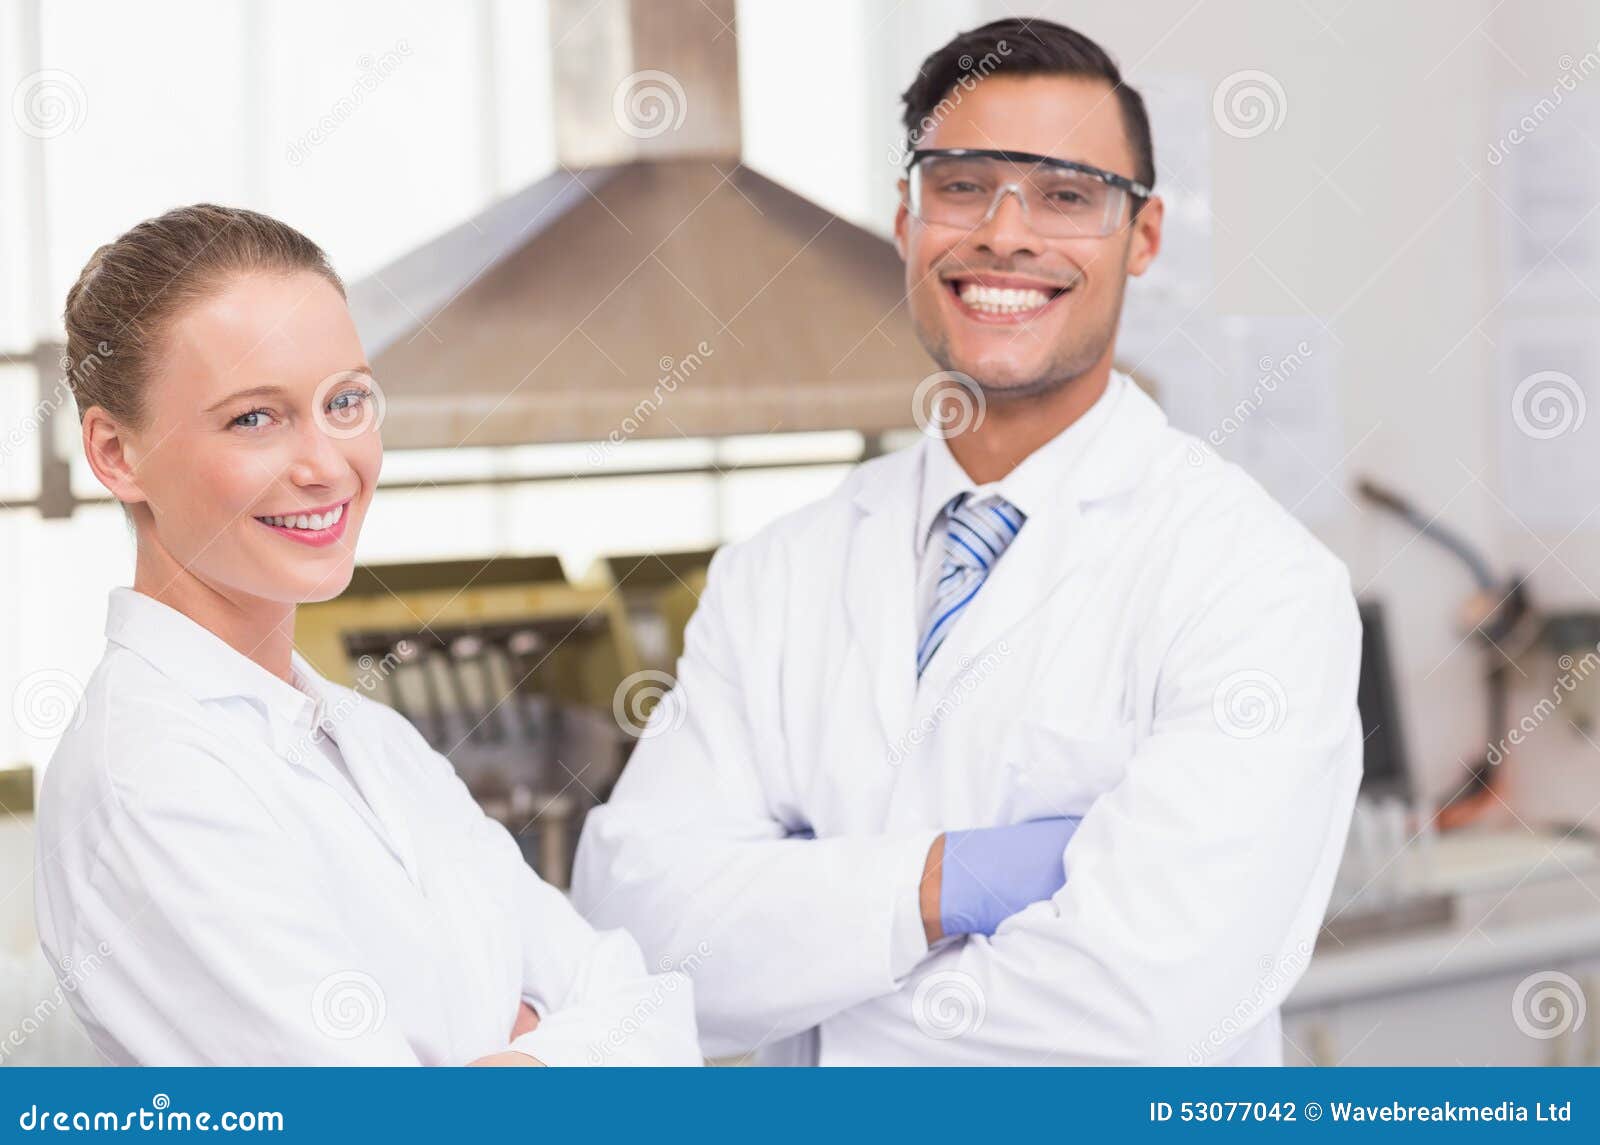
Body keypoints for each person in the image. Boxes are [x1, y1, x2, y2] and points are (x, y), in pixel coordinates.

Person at [572, 18, 1362, 1064]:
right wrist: (944, 880)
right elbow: (633, 931)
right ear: (906, 219)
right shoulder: (777, 572)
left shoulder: (1255, 583)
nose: (1004, 233)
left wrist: (807, 979)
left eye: (1066, 195)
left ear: (1143, 236)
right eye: (963, 185)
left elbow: (1147, 1009)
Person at [34, 204, 701, 1066]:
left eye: (345, 401)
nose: (326, 464)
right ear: (116, 454)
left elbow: (648, 1007)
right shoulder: (151, 780)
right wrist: (543, 1038)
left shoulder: (373, 742)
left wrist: (504, 1066)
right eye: (254, 418)